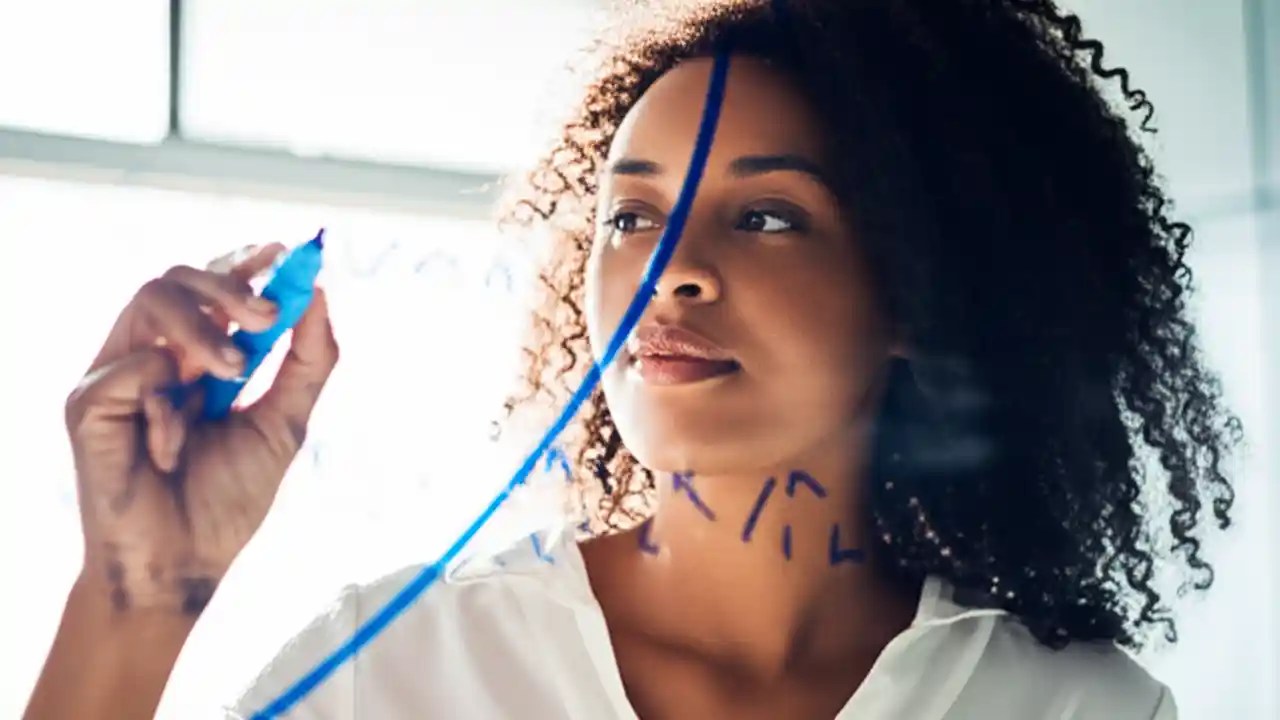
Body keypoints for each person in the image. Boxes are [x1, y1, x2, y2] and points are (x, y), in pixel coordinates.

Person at [24, 1, 1243, 718]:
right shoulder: (398, 669)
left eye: (765, 216)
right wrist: (135, 598)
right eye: (630, 217)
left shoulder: (1077, 710)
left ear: (918, 295)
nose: (669, 272)